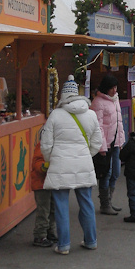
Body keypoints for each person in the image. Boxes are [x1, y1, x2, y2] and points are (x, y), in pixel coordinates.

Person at [39, 74, 102, 254]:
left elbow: (46, 144)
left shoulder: (55, 115)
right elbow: (97, 142)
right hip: (83, 164)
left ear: (63, 96)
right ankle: (91, 240)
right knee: (87, 203)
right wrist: (85, 155)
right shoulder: (91, 114)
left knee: (61, 206)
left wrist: (51, 158)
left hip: (60, 165)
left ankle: (64, 245)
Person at [91, 74, 126, 217]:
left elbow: (119, 123)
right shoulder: (98, 102)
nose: (114, 90)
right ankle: (104, 204)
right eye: (112, 87)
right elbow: (97, 126)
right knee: (106, 173)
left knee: (116, 172)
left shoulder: (115, 100)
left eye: (116, 87)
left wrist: (121, 141)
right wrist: (102, 147)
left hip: (116, 142)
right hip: (106, 143)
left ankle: (109, 201)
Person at [30, 129, 58, 247]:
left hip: (50, 182)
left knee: (52, 208)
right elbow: (37, 163)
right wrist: (44, 167)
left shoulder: (53, 147)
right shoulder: (41, 147)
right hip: (41, 184)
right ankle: (40, 235)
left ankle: (49, 231)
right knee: (44, 210)